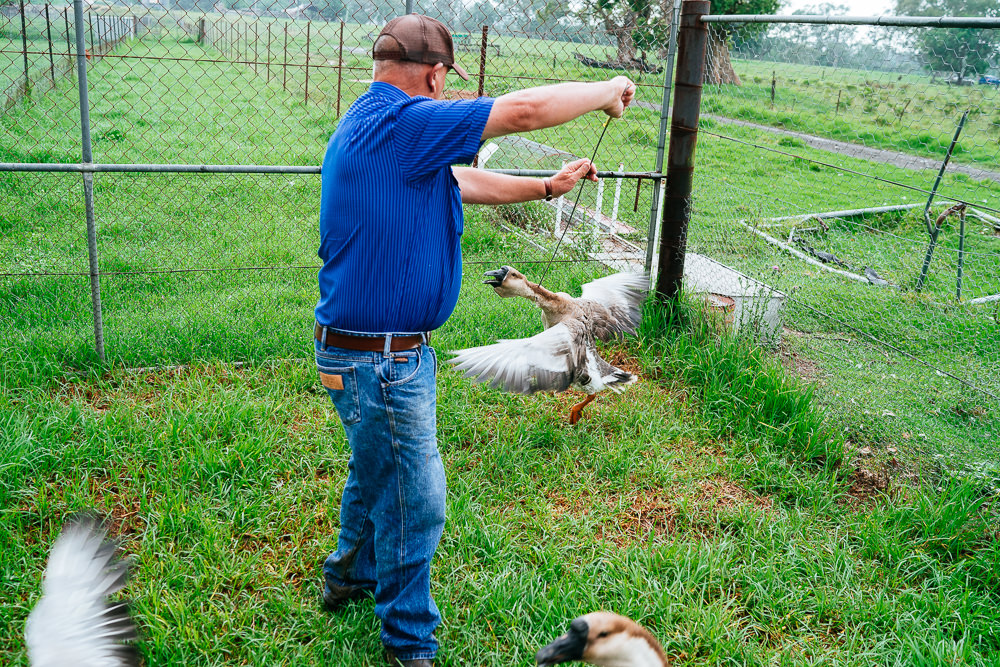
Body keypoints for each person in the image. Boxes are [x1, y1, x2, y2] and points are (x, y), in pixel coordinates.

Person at [314, 13, 635, 667]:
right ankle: (410, 641)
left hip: (368, 351)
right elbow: (525, 111)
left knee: (377, 467)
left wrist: (546, 186)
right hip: (381, 357)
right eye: (444, 80)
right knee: (417, 500)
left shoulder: (370, 124)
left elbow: (460, 181)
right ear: (435, 75)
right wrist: (608, 89)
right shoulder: (405, 123)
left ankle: (348, 574)